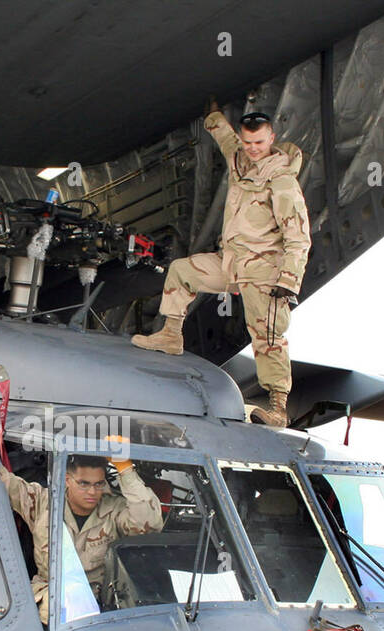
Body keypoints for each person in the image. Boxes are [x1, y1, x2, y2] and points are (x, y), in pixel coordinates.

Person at [132, 99, 312, 427]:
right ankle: (171, 335)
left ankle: (278, 408)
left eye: (259, 143)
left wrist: (288, 280)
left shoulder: (282, 182)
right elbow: (226, 139)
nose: (252, 149)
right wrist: (212, 114)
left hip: (264, 271)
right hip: (231, 263)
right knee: (182, 271)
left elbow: (298, 237)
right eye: (248, 143)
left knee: (267, 335)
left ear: (271, 138)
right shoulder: (239, 158)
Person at [0, 408, 163, 622]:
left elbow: (150, 524)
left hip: (96, 608)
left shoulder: (113, 511)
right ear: (67, 480)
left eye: (98, 484)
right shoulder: (44, 502)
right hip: (47, 607)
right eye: (83, 484)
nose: (92, 492)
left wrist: (125, 468)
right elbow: (2, 482)